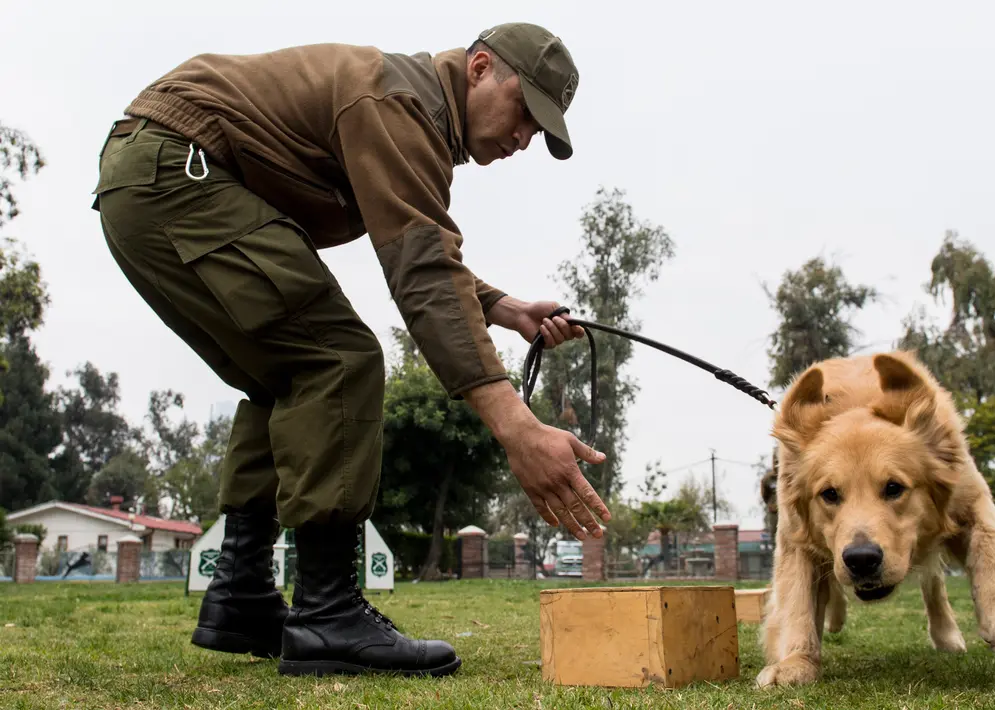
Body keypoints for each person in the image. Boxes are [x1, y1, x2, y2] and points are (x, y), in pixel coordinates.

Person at [90, 22, 611, 679]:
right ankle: (328, 613)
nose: (522, 137)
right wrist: (519, 430)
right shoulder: (400, 104)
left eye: (538, 130)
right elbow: (421, 273)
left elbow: (416, 246)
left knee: (288, 372)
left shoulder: (407, 112)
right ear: (479, 68)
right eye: (523, 112)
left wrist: (503, 309)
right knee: (339, 360)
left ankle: (242, 595)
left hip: (151, 175)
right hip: (181, 170)